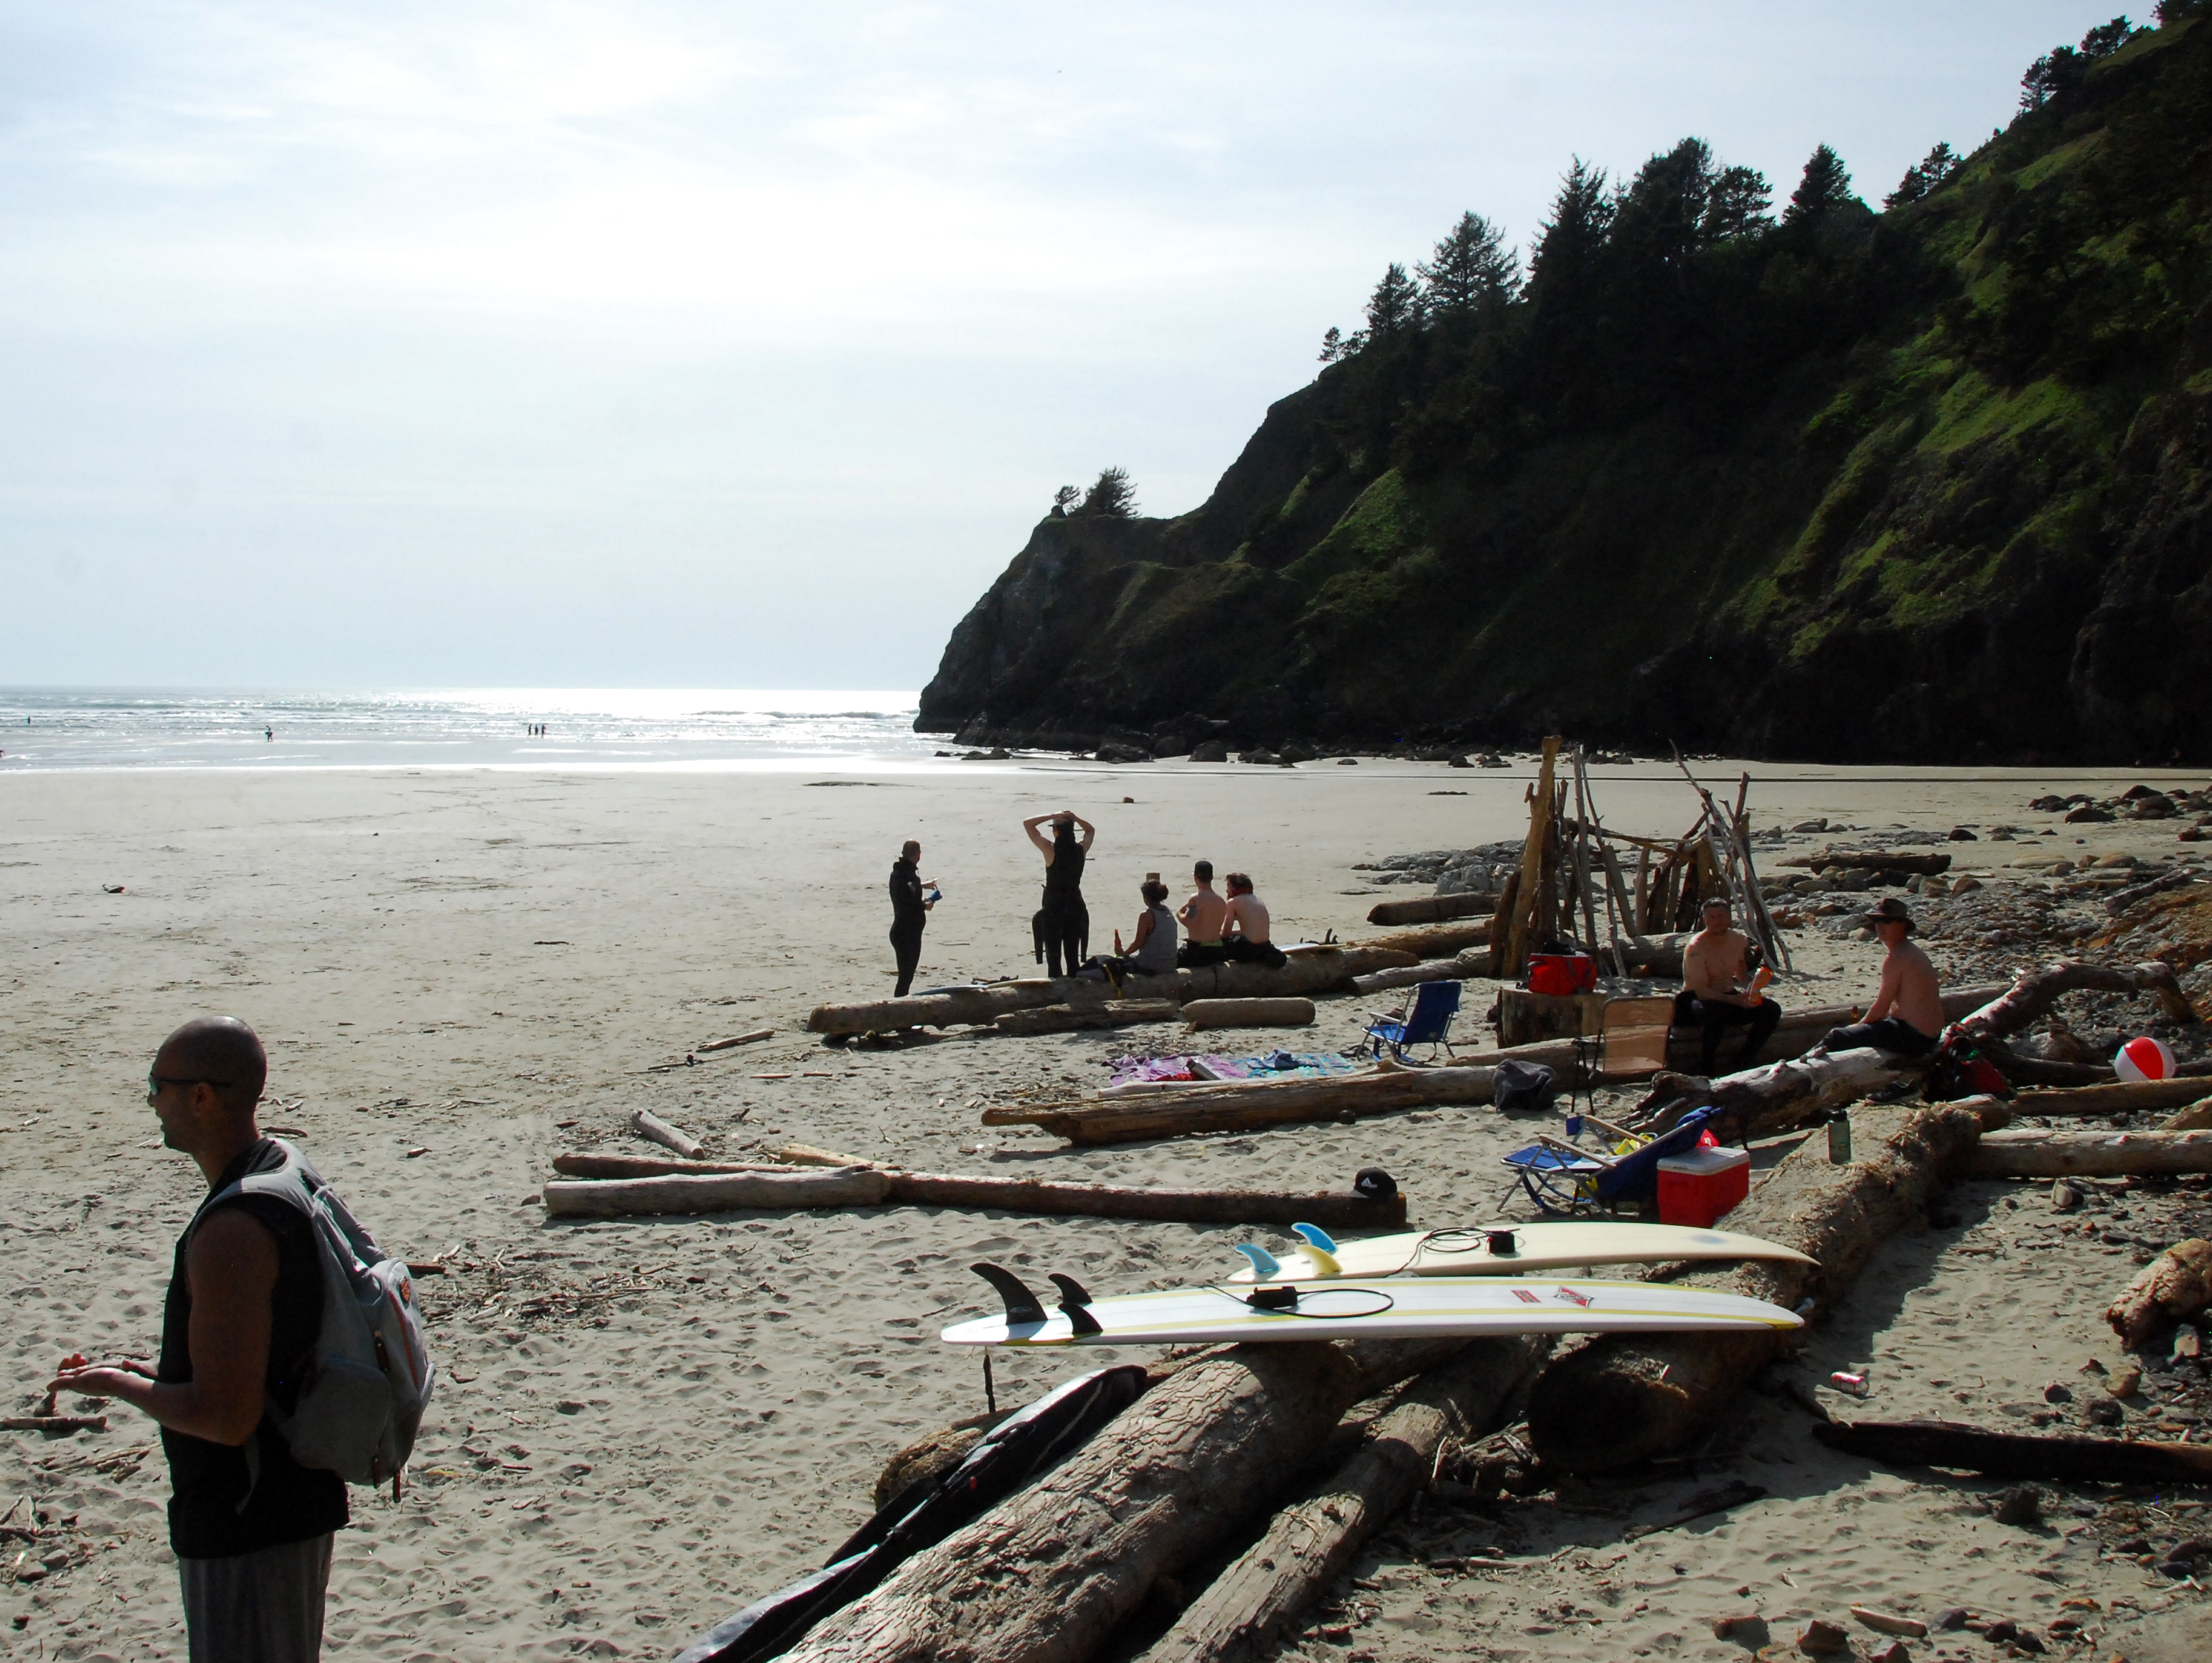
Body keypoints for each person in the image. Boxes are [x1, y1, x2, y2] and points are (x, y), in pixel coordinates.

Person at [50, 1017, 347, 1662]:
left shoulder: (232, 1229)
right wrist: (155, 1375)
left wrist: (120, 1385)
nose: (150, 1100)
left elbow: (226, 1415)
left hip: (251, 1522)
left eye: (156, 1085)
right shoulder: (284, 1168)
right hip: (290, 1504)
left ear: (202, 1097)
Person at [1821, 897, 1944, 1056]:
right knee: (1866, 1031)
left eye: (1887, 921)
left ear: (1902, 925)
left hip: (1913, 1037)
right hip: (1929, 1036)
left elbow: (1881, 1007)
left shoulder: (1897, 957)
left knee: (1837, 1037)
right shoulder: (1912, 951)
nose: (1880, 926)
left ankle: (1797, 1067)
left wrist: (1858, 1026)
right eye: (1877, 920)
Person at [1674, 895, 1782, 1073]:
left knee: (1771, 1010)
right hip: (1694, 1000)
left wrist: (1752, 989)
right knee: (1715, 1014)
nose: (1717, 921)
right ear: (1705, 920)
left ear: (1729, 917)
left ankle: (1743, 1060)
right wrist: (1736, 1001)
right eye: (1712, 917)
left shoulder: (1738, 940)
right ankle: (1706, 1067)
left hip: (1727, 995)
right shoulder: (1696, 947)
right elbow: (1699, 990)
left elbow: (1740, 971)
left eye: (1721, 916)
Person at [1023, 810, 1093, 978]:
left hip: (1054, 907)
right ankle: (1075, 987)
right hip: (1075, 905)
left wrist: (1051, 815)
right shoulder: (1081, 849)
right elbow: (1090, 830)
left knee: (1053, 957)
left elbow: (1028, 824)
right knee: (1072, 955)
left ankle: (1057, 992)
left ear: (1056, 831)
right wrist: (1076, 818)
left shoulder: (1050, 850)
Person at [1097, 878, 1179, 980]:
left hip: (1152, 965)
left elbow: (1138, 943)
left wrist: (1124, 953)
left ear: (1146, 898)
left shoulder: (1146, 915)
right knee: (1130, 958)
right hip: (1171, 964)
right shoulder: (1168, 911)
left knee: (1114, 963)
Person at [889, 839, 935, 998]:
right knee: (905, 979)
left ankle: (900, 1015)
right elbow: (912, 905)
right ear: (918, 855)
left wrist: (922, 885)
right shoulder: (911, 878)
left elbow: (904, 890)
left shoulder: (898, 873)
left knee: (905, 978)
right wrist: (927, 904)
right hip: (908, 935)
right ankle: (900, 1017)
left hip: (900, 932)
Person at [1220, 872, 1287, 968]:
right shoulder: (1257, 899)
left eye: (1228, 886)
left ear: (1234, 888)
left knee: (1218, 944)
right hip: (1265, 946)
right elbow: (1251, 929)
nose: (1226, 890)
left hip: (1249, 948)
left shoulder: (1233, 902)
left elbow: (1225, 934)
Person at [1177, 860, 1229, 968]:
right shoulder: (1221, 900)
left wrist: (1179, 913)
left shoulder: (1195, 899)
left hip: (1198, 951)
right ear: (1212, 877)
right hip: (1218, 950)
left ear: (1195, 877)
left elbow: (1190, 923)